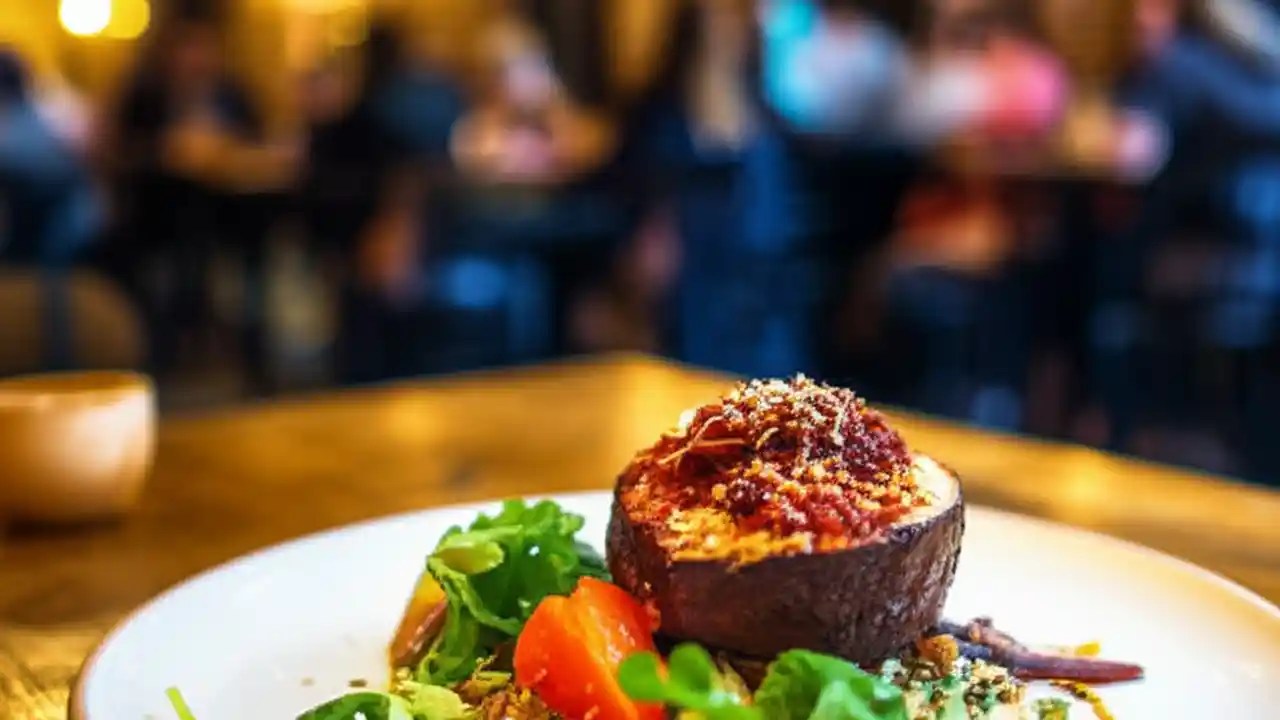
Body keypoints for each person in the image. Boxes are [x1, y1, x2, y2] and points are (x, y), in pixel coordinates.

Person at [0, 49, 101, 370]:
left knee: (51, 290)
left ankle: (56, 363)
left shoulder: (22, 123)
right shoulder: (37, 117)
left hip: (63, 225)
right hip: (56, 220)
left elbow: (29, 168)